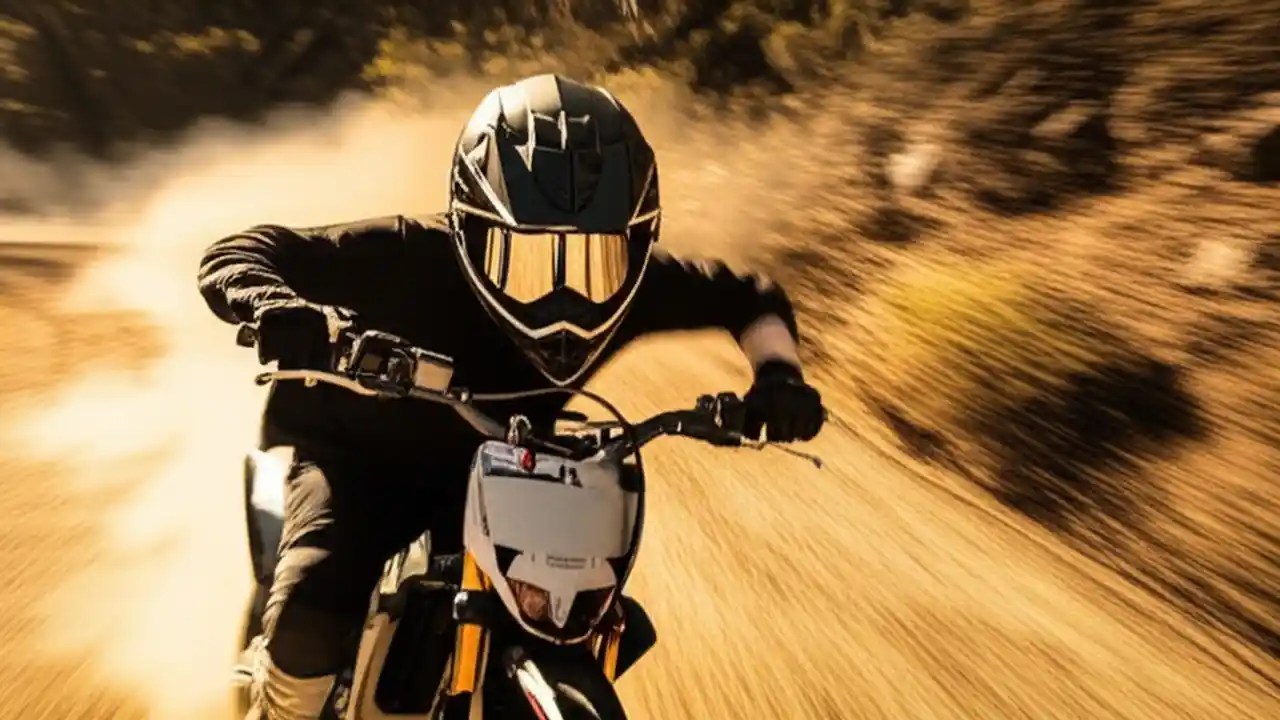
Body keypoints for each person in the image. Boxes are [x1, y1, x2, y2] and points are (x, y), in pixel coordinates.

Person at [198, 73, 826, 720]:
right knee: (313, 608)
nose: (564, 298)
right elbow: (242, 252)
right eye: (525, 260)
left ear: (637, 246)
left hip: (504, 466)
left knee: (585, 614)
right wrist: (281, 309)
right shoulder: (409, 255)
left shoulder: (642, 288)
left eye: (596, 263)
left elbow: (750, 294)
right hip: (359, 461)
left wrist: (778, 374)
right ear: (467, 227)